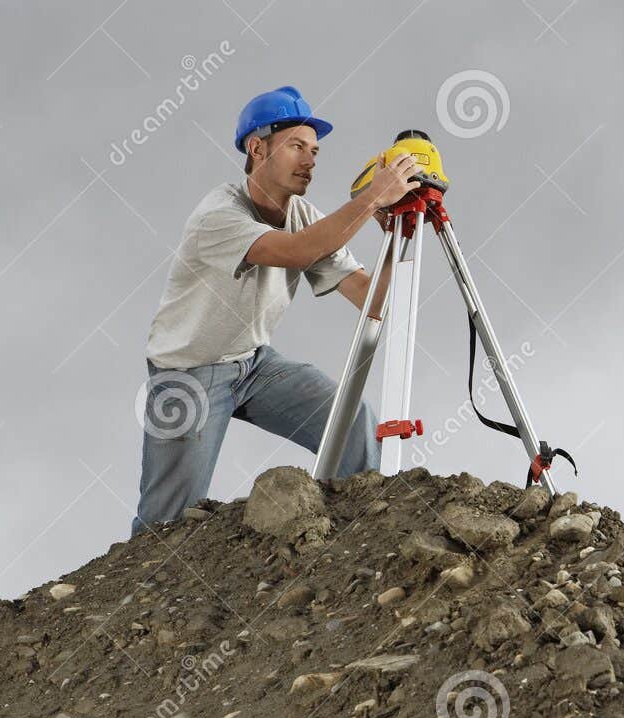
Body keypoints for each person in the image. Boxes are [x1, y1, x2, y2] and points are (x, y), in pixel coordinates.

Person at [131, 85, 420, 536]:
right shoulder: (218, 215)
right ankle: (134, 597)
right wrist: (370, 200)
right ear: (257, 147)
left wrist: (396, 234)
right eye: (296, 147)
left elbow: (373, 299)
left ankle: (362, 537)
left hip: (254, 362)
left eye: (316, 151)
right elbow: (295, 250)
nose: (310, 160)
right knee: (165, 523)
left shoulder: (305, 215)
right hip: (189, 374)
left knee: (352, 423)